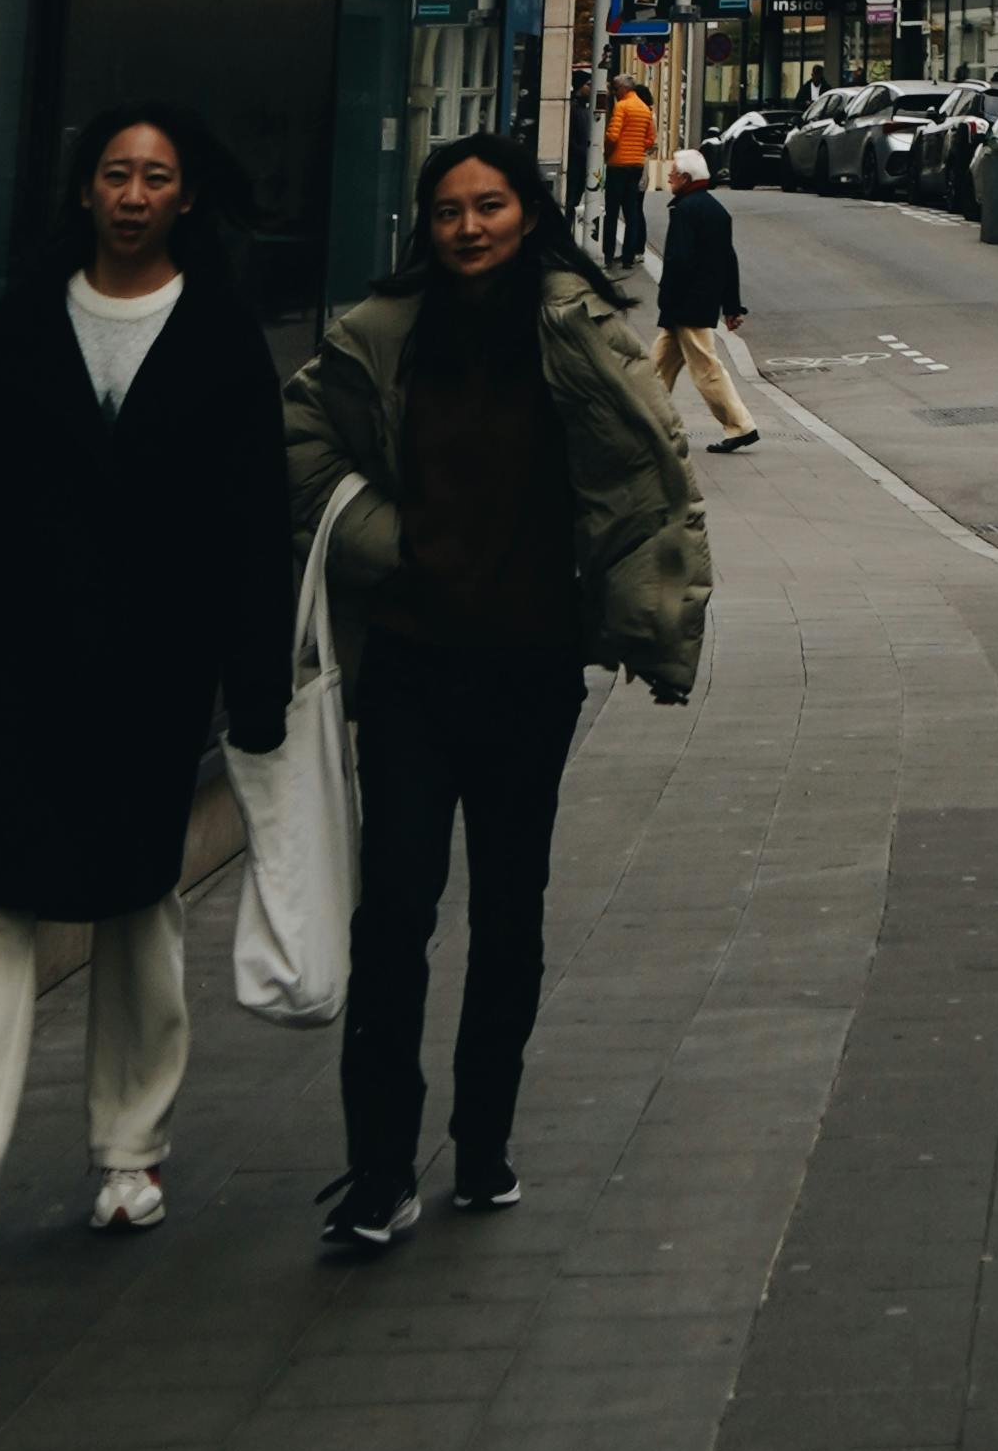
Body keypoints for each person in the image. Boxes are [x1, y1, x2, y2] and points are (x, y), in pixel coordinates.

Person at [0, 108, 292, 1271]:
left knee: (137, 906)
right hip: (17, 659)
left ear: (186, 197)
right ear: (86, 191)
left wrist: (256, 690)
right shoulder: (25, 326)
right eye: (115, 174)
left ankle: (128, 1151)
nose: (134, 194)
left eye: (156, 177)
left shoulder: (219, 338)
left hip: (151, 668)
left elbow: (255, 531)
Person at [286, 129, 707, 1249]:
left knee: (510, 916)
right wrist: (389, 541)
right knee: (395, 918)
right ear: (423, 226)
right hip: (414, 668)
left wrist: (646, 614)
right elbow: (299, 436)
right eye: (448, 211)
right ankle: (378, 1170)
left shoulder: (572, 326)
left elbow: (650, 469)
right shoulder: (383, 333)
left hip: (528, 668)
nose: (469, 227)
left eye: (490, 205)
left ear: (528, 211)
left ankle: (482, 1143)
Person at [653, 155, 759, 451]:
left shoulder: (686, 211)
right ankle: (647, 422)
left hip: (687, 305)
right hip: (698, 303)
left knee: (706, 370)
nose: (670, 176)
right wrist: (732, 306)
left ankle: (741, 425)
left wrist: (667, 297)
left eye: (674, 172)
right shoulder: (716, 211)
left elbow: (678, 261)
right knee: (657, 368)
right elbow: (728, 259)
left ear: (686, 178)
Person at [600, 75, 655, 271]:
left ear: (623, 89)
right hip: (636, 165)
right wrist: (637, 148)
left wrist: (607, 152)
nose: (614, 92)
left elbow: (613, 135)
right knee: (632, 212)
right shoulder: (644, 109)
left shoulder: (622, 107)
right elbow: (650, 140)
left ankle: (607, 254)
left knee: (612, 211)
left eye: (616, 88)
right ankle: (628, 258)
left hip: (618, 164)